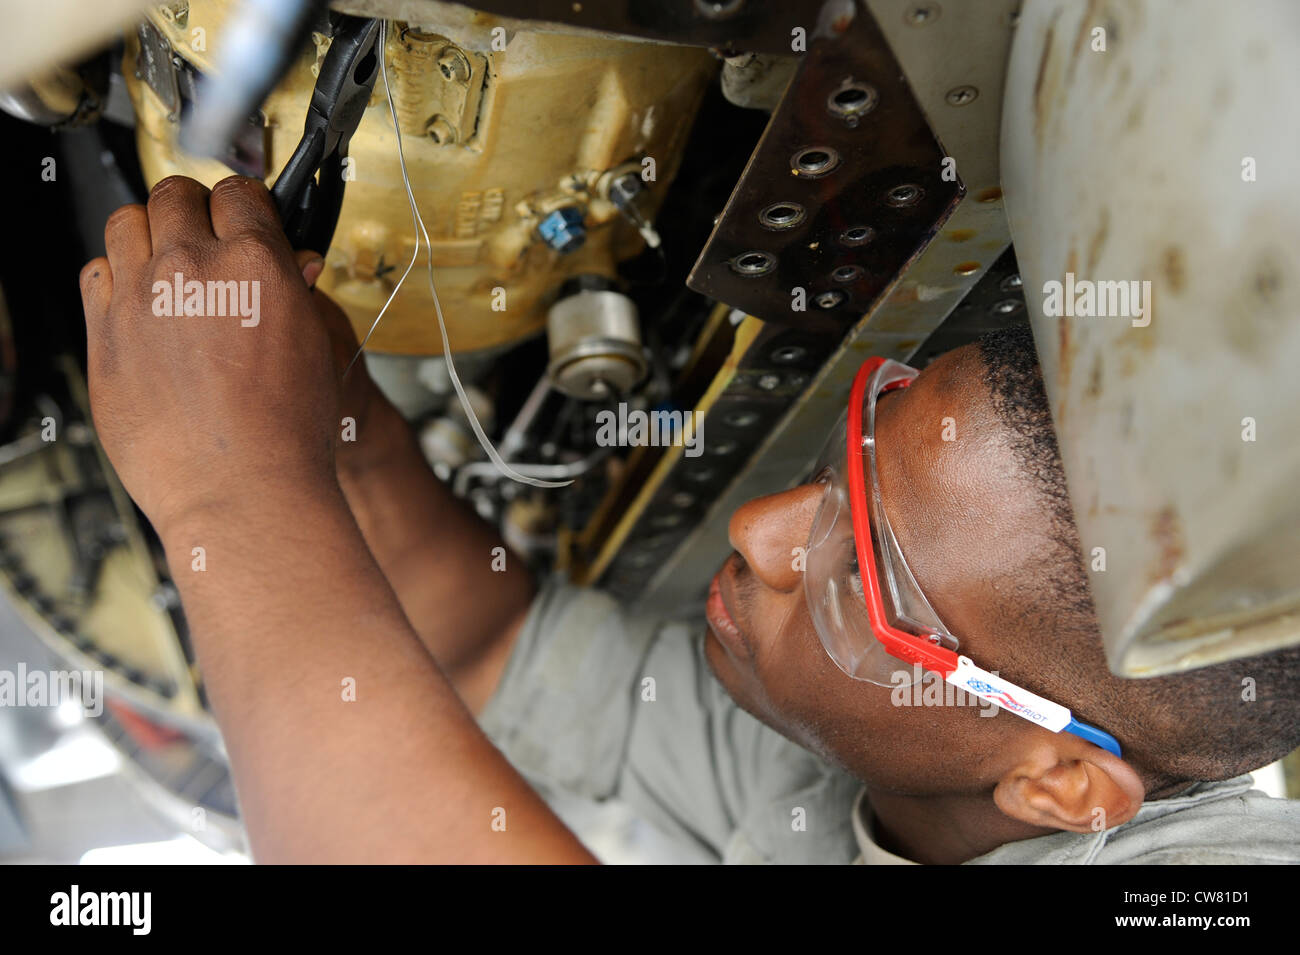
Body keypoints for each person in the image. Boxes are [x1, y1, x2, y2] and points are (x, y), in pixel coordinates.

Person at [78, 175, 1300, 864]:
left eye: (852, 577)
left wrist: (230, 495)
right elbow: (495, 652)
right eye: (837, 473)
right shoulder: (859, 786)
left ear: (1062, 783)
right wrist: (334, 412)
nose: (763, 529)